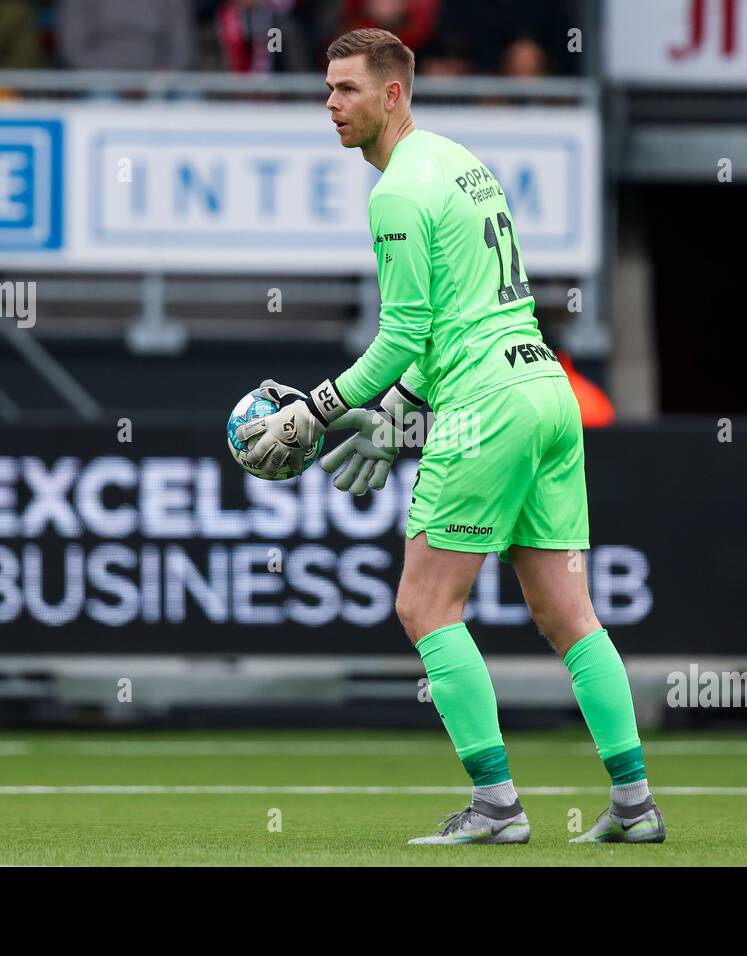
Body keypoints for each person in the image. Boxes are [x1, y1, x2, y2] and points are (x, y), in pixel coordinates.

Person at [234, 28, 662, 846]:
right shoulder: (459, 161)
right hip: (546, 388)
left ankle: (497, 807)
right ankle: (635, 803)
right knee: (568, 612)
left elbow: (405, 336)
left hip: (486, 403)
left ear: (392, 93)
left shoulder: (395, 191)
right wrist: (396, 414)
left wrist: (315, 409)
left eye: (348, 89)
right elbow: (452, 325)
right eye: (327, 88)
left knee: (425, 603)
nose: (331, 104)